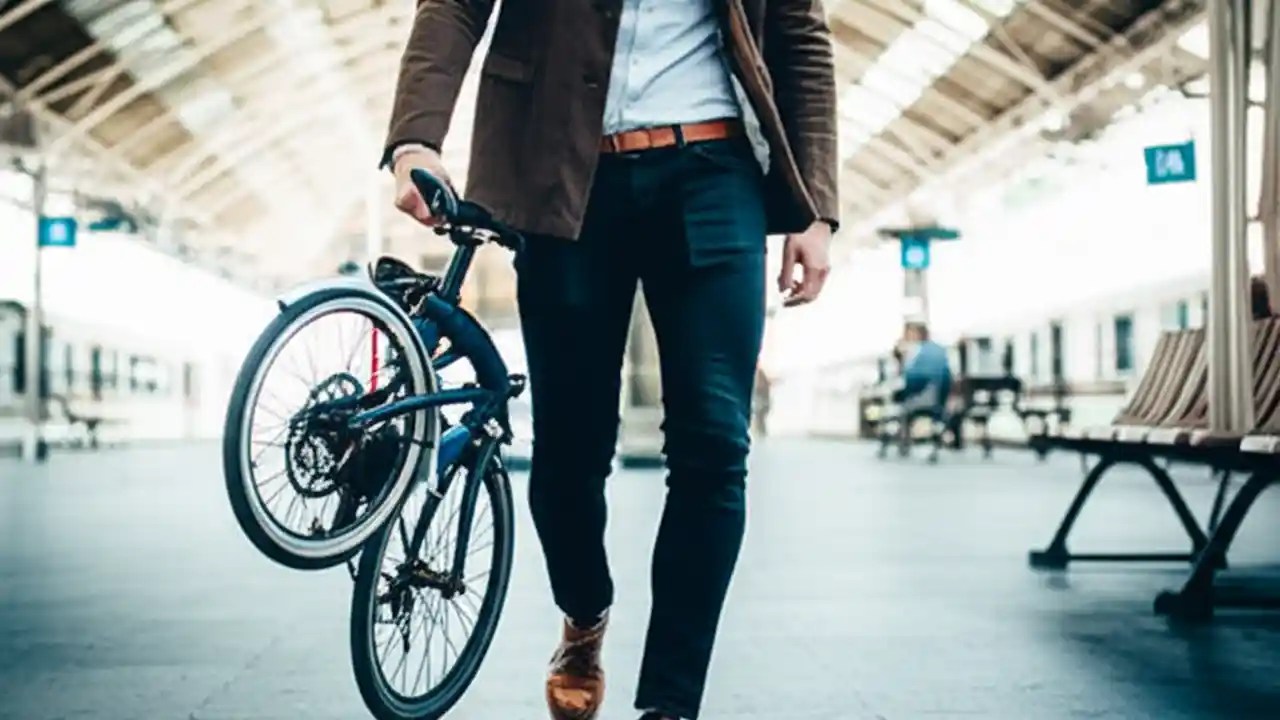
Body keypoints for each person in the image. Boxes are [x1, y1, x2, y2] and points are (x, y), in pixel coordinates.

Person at [383, 3, 838, 719]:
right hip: (563, 170)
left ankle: (670, 702)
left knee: (715, 445)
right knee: (567, 454)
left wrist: (815, 209)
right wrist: (416, 139)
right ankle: (584, 613)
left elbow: (800, 35)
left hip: (715, 173)